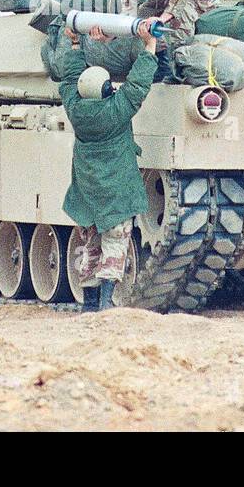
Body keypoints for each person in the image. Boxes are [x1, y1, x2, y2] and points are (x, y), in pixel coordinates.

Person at [58, 21, 158, 311]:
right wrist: (150, 45)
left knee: (91, 248)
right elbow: (138, 85)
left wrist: (75, 45)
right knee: (115, 246)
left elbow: (68, 80)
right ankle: (105, 304)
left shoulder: (75, 109)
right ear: (106, 89)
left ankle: (89, 305)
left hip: (87, 193)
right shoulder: (115, 110)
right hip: (116, 194)